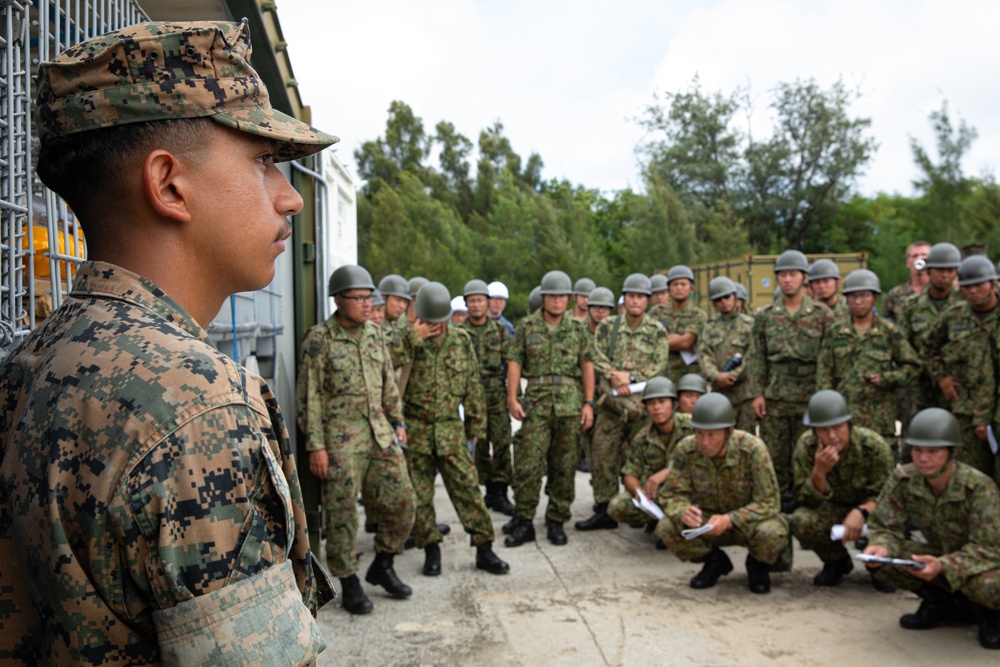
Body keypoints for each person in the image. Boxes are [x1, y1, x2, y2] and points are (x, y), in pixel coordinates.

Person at [0, 20, 336, 663]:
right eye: (262, 161)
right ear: (169, 184)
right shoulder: (198, 406)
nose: (290, 198)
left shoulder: (29, 362)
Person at [298, 265, 415, 614]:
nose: (368, 304)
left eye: (370, 298)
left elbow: (388, 385)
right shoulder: (319, 339)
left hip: (380, 433)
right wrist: (315, 445)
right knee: (342, 514)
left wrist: (398, 421)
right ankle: (349, 581)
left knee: (403, 500)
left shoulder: (374, 334)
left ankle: (383, 564)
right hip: (339, 440)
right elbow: (310, 396)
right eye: (360, 298)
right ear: (339, 299)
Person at [394, 282, 510, 576]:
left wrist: (476, 425)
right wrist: (412, 338)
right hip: (417, 431)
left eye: (439, 321)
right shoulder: (406, 339)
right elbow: (383, 364)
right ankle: (431, 550)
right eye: (429, 321)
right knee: (420, 497)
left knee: (468, 491)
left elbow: (473, 385)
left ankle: (485, 549)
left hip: (451, 431)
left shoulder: (461, 341)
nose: (435, 327)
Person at [863, 408, 1000, 650]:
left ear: (953, 452)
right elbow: (884, 525)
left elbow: (988, 549)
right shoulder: (903, 479)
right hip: (937, 555)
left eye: (933, 451)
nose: (923, 459)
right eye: (917, 450)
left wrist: (944, 565)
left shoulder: (979, 487)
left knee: (990, 586)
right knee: (887, 561)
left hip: (980, 564)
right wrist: (883, 546)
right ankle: (940, 604)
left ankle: (988, 615)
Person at [656, 394, 789, 594]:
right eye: (699, 434)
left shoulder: (753, 449)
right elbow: (671, 495)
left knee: (771, 533)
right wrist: (683, 510)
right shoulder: (685, 449)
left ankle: (757, 564)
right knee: (666, 527)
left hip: (748, 522)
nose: (705, 442)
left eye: (712, 435)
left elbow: (769, 502)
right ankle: (714, 562)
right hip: (707, 522)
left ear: (729, 432)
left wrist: (730, 519)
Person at [505, 270, 595, 547]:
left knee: (564, 467)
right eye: (552, 296)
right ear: (543, 298)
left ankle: (556, 519)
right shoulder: (526, 327)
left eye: (562, 297)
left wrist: (588, 403)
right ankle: (523, 521)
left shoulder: (578, 329)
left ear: (569, 300)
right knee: (528, 464)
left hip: (569, 405)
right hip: (537, 403)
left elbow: (587, 366)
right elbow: (515, 362)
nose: (557, 301)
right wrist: (512, 397)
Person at [577, 273, 669, 531]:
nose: (635, 301)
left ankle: (647, 509)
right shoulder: (609, 327)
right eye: (630, 296)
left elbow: (658, 365)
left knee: (646, 458)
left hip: (642, 409)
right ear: (624, 299)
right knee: (602, 454)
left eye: (640, 296)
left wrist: (630, 376)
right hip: (612, 406)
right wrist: (613, 376)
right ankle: (605, 508)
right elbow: (595, 355)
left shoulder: (656, 331)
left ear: (647, 301)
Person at [745, 250, 834, 512]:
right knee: (776, 453)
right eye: (782, 275)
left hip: (810, 394)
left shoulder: (822, 315)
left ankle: (808, 500)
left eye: (792, 274)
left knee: (807, 451)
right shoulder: (766, 315)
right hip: (776, 393)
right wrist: (757, 393)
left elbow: (828, 359)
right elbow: (757, 357)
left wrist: (823, 397)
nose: (787, 280)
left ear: (804, 278)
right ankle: (779, 501)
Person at [790, 391, 895, 589]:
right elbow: (806, 499)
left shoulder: (873, 446)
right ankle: (836, 562)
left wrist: (861, 511)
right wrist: (819, 472)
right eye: (823, 430)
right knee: (802, 520)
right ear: (814, 432)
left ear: (849, 425)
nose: (832, 436)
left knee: (892, 531)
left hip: (873, 513)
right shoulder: (807, 446)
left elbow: (889, 499)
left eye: (838, 428)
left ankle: (878, 566)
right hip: (833, 509)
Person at [815, 269, 920, 440]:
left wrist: (887, 378)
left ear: (875, 298)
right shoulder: (835, 332)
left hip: (879, 418)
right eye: (852, 296)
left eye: (864, 296)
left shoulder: (889, 332)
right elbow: (824, 373)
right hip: (843, 416)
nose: (858, 302)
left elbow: (913, 366)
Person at [923, 256, 999, 477]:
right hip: (966, 409)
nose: (973, 291)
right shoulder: (954, 315)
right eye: (967, 287)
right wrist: (942, 377)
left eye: (979, 285)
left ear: (993, 284)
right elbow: (928, 348)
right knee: (970, 474)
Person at [607, 378, 693, 534]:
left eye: (662, 401)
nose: (656, 408)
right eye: (651, 403)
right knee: (617, 506)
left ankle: (680, 525)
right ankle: (658, 519)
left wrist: (666, 473)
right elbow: (629, 473)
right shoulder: (642, 437)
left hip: (690, 493)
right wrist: (640, 493)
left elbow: (705, 459)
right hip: (660, 496)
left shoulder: (692, 427)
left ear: (674, 405)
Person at [459, 279, 514, 515]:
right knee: (478, 446)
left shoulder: (500, 330)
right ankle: (485, 490)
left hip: (496, 395)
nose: (476, 305)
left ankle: (500, 492)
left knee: (502, 443)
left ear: (487, 302)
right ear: (466, 304)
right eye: (471, 301)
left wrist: (513, 397)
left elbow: (511, 363)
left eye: (480, 300)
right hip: (471, 396)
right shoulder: (460, 333)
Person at [896, 242, 961, 419]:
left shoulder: (964, 305)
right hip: (921, 388)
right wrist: (935, 374)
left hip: (958, 387)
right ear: (929, 271)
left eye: (950, 270)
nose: (945, 275)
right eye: (940, 270)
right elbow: (904, 347)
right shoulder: (911, 306)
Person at [699, 276, 755, 432]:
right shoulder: (710, 327)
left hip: (744, 395)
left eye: (727, 297)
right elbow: (705, 355)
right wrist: (716, 376)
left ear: (735, 297)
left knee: (744, 438)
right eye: (718, 299)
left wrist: (735, 375)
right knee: (720, 435)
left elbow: (753, 356)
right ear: (714, 303)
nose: (723, 302)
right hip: (720, 393)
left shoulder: (750, 325)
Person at [653, 265, 707, 385]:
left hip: (689, 379)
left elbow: (685, 342)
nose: (679, 288)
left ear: (691, 289)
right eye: (675, 284)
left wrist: (657, 339)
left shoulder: (698, 315)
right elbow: (645, 338)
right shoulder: (656, 312)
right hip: (661, 376)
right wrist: (675, 339)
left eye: (683, 284)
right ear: (669, 288)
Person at [882, 240, 931, 322]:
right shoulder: (895, 295)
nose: (919, 259)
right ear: (908, 262)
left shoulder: (940, 292)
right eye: (915, 256)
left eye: (924, 255)